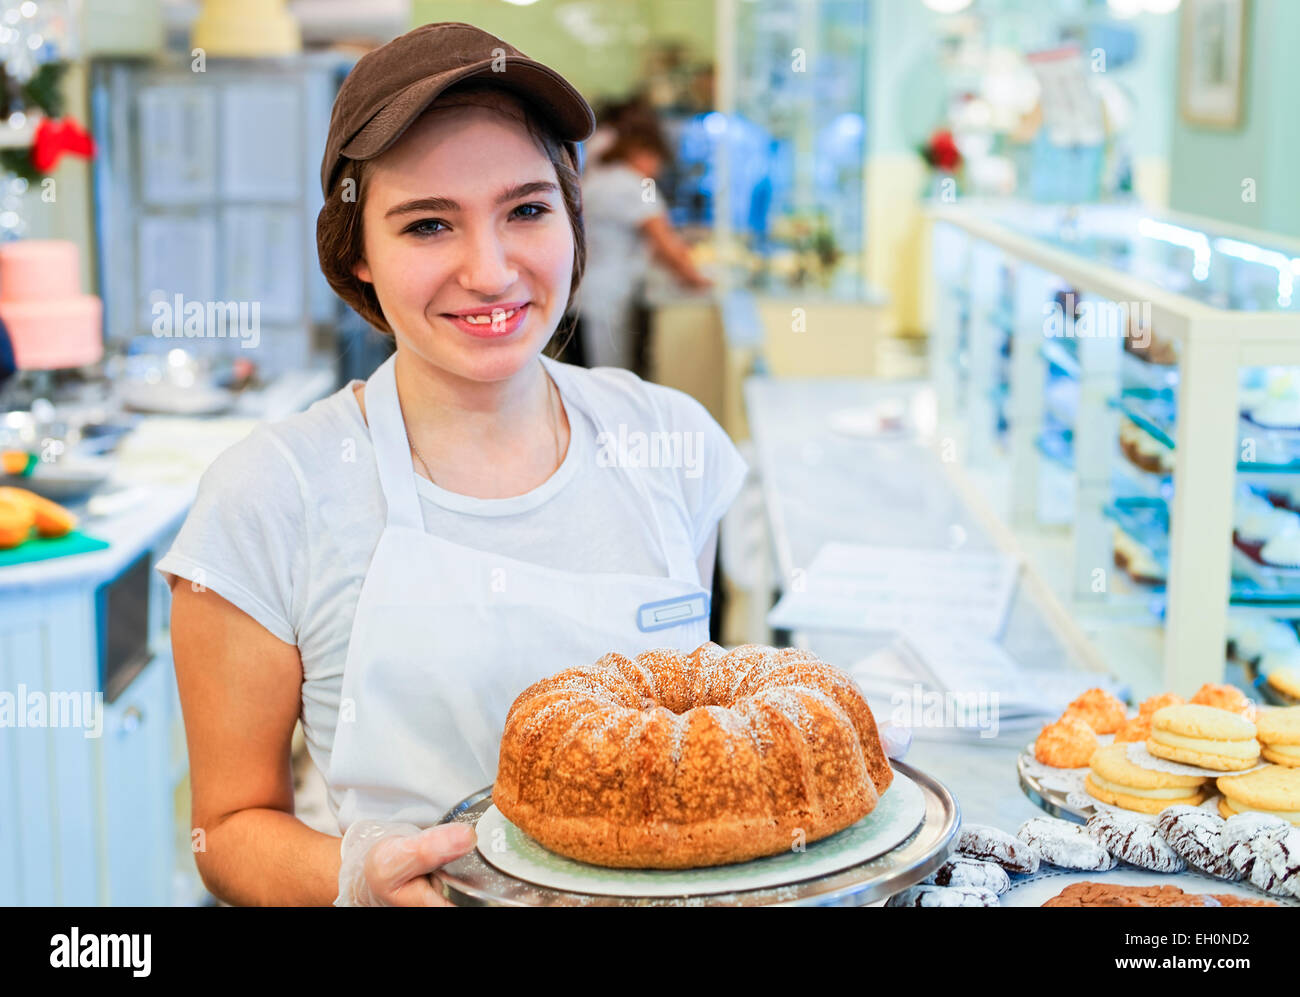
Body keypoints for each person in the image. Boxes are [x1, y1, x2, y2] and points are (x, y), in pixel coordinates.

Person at [156, 23, 748, 906]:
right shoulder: (269, 494)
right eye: (429, 223)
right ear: (359, 251)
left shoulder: (670, 442)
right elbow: (228, 828)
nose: (491, 269)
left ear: (572, 214)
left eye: (527, 209)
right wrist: (352, 876)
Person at [576, 104, 712, 372]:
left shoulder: (602, 177)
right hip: (604, 301)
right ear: (640, 151)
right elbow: (665, 243)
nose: (657, 170)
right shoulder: (631, 185)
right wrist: (700, 279)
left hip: (585, 296)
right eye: (657, 160)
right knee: (607, 383)